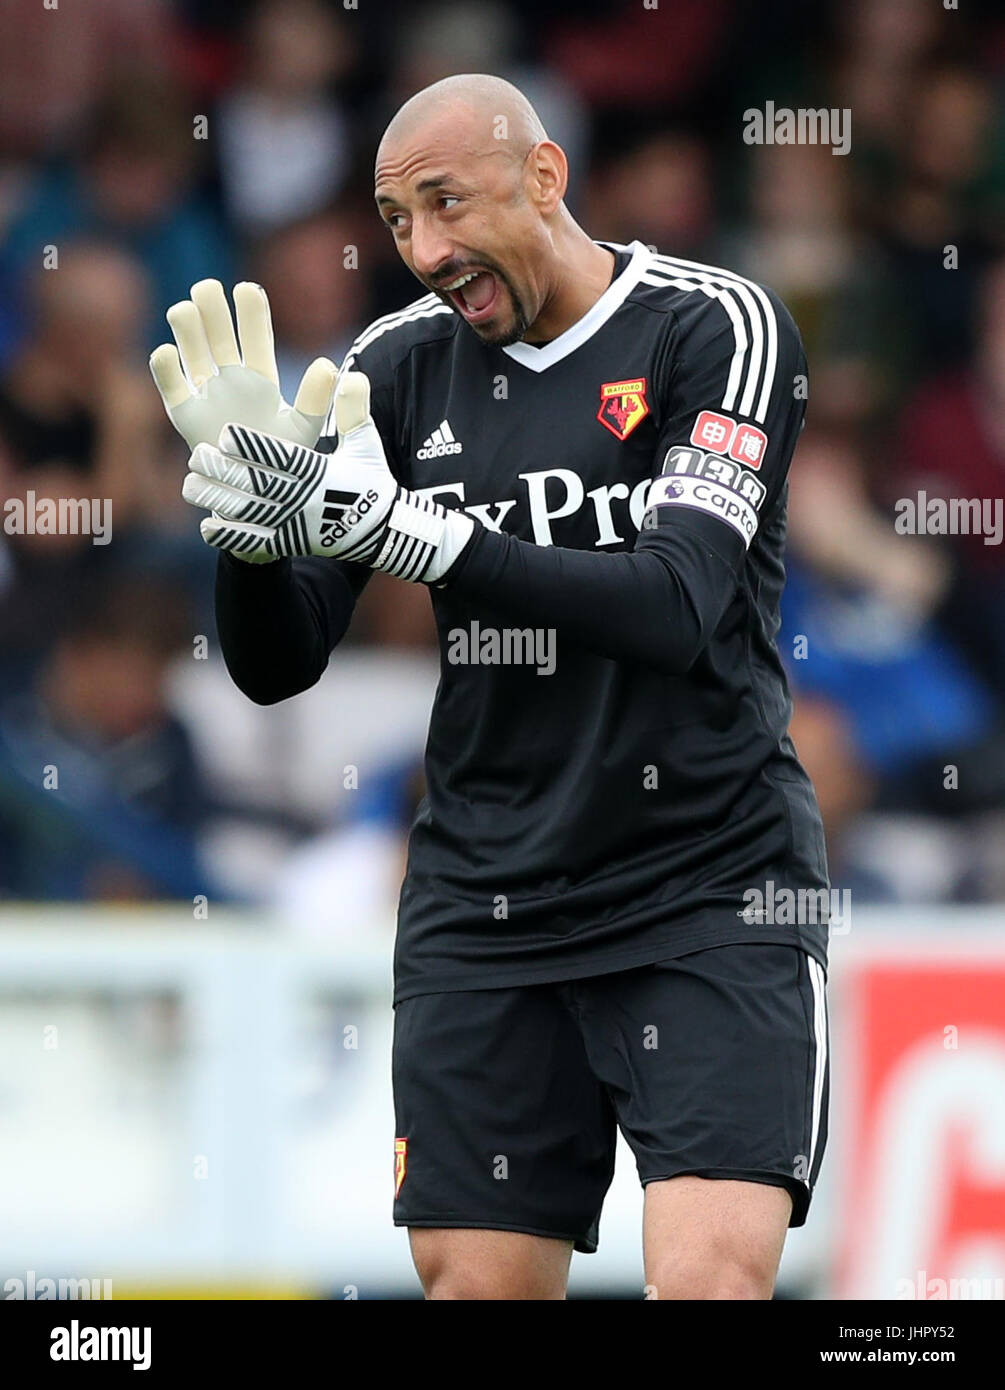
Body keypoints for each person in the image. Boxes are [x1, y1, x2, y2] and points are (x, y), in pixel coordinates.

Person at [152, 75, 829, 1301]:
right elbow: (277, 661)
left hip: (709, 877)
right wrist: (251, 536)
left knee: (712, 1282)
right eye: (397, 219)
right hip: (490, 894)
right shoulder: (394, 367)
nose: (424, 250)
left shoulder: (714, 326)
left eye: (446, 203)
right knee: (473, 1289)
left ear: (548, 178)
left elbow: (677, 605)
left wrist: (428, 540)